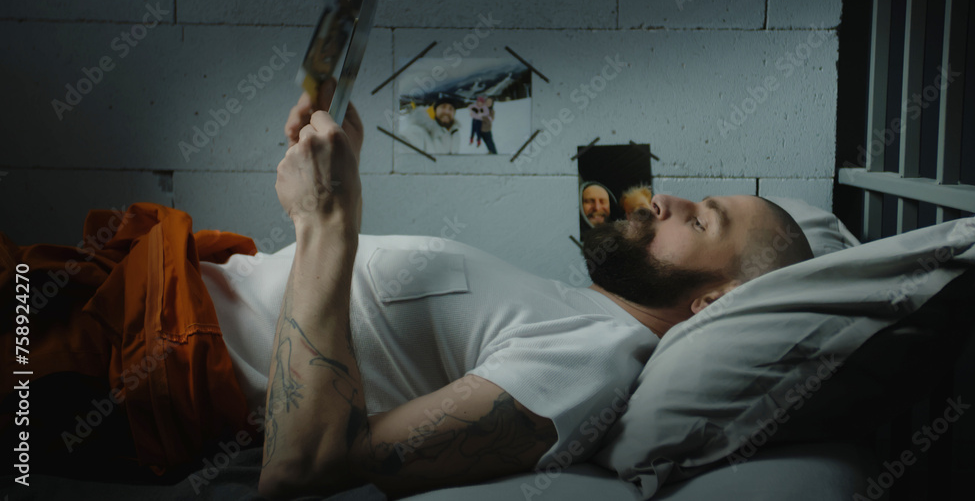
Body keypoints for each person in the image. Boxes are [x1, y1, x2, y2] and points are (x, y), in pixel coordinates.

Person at [0, 91, 814, 500]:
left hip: (126, 372)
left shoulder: (598, 359)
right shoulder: (575, 305)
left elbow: (304, 466)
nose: (666, 201)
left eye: (704, 220)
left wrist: (324, 221)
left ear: (714, 303)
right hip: (124, 285)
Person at [397, 96, 463, 154]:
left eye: (450, 109)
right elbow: (402, 146)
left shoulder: (454, 133)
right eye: (443, 107)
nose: (446, 112)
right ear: (435, 111)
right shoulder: (420, 131)